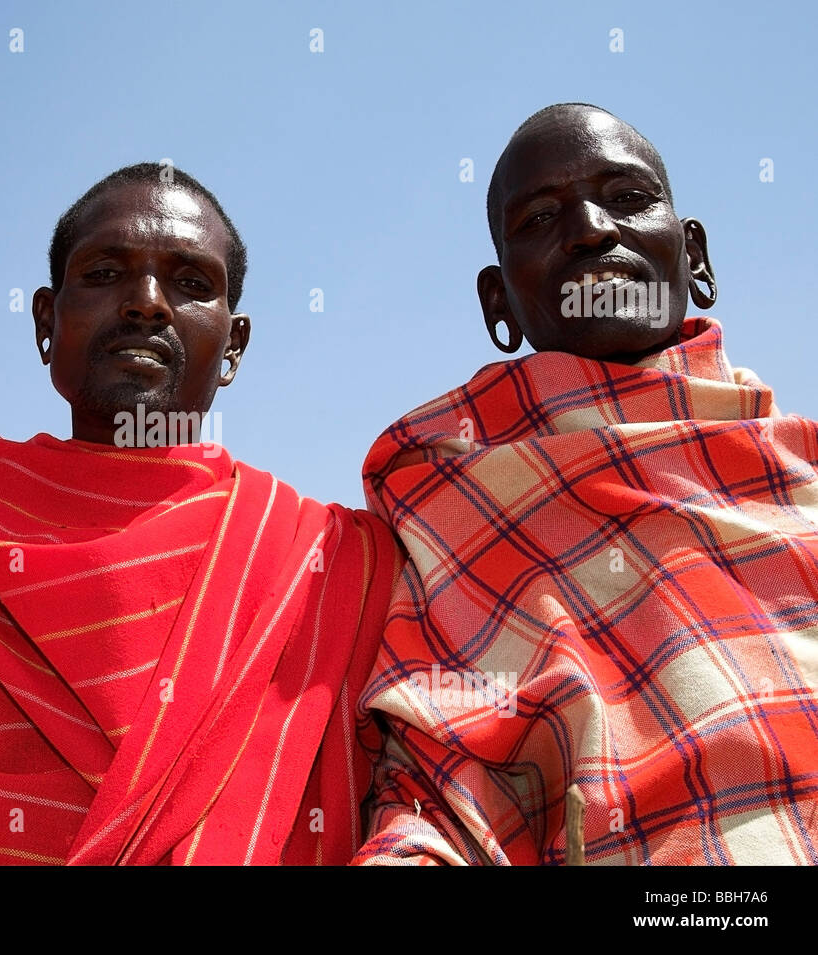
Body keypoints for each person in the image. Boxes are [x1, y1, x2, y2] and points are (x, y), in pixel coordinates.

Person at [0, 163, 394, 865]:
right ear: (47, 321)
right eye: (105, 274)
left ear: (234, 347)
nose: (146, 303)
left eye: (192, 283)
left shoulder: (333, 558)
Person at [354, 103, 818, 865]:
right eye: (540, 218)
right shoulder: (451, 503)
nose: (593, 229)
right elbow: (434, 796)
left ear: (694, 256)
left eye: (628, 197)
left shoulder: (803, 471)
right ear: (497, 303)